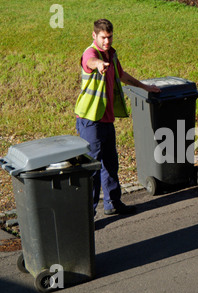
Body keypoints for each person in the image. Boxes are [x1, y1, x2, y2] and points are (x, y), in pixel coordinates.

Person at [75, 19, 160, 216]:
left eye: (110, 37)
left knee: (110, 163)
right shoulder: (91, 53)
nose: (107, 41)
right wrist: (98, 65)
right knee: (93, 168)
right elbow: (89, 61)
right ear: (94, 36)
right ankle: (87, 215)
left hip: (105, 119)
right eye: (103, 37)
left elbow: (122, 75)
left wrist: (145, 87)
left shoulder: (112, 55)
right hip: (89, 120)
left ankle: (113, 203)